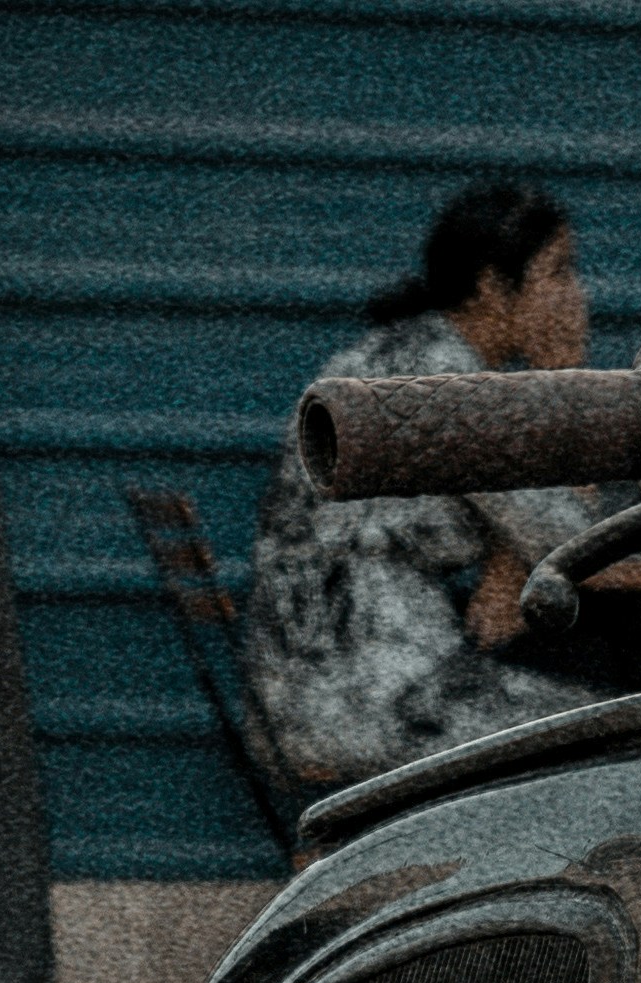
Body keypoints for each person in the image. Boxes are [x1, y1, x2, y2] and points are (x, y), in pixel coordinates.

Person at [239, 178, 595, 801]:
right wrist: (562, 380)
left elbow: (524, 516)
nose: (577, 296)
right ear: (492, 286)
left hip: (318, 690)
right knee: (612, 737)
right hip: (369, 702)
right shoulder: (450, 385)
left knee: (592, 719)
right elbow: (573, 534)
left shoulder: (401, 354)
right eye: (558, 273)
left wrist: (511, 563)